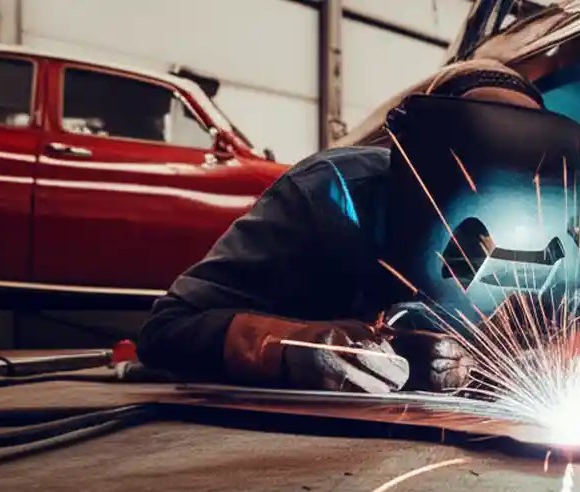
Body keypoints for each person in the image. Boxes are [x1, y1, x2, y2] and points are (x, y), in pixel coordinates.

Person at [136, 61, 552, 395]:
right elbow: (169, 328)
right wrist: (293, 347)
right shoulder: (332, 193)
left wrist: (574, 354)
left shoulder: (549, 224)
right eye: (481, 142)